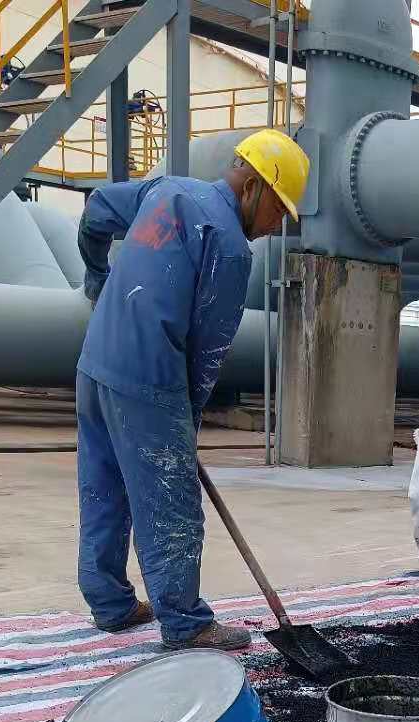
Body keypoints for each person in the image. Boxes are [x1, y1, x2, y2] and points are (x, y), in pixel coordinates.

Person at [75, 129, 309, 651]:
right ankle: (185, 623)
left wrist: (96, 277)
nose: (276, 225)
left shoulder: (165, 190)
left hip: (94, 365)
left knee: (103, 487)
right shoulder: (229, 247)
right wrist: (185, 423)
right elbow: (207, 352)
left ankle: (109, 604)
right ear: (252, 186)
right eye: (278, 209)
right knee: (172, 503)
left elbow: (95, 211)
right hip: (149, 377)